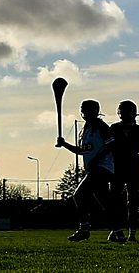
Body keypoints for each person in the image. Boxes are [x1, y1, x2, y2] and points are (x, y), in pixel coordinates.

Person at [57, 99, 117, 242]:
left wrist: (96, 159)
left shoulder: (101, 126)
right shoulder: (86, 130)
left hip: (102, 168)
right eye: (83, 109)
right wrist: (64, 144)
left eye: (88, 109)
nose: (84, 112)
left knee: (78, 195)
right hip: (94, 169)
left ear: (96, 111)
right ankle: (117, 230)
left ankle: (84, 229)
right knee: (104, 202)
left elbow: (111, 145)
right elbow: (81, 151)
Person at [109, 100, 139, 242]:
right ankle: (115, 230)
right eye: (121, 111)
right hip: (117, 169)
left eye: (126, 111)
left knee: (132, 202)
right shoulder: (114, 128)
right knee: (114, 201)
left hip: (132, 168)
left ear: (134, 113)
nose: (123, 114)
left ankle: (132, 233)